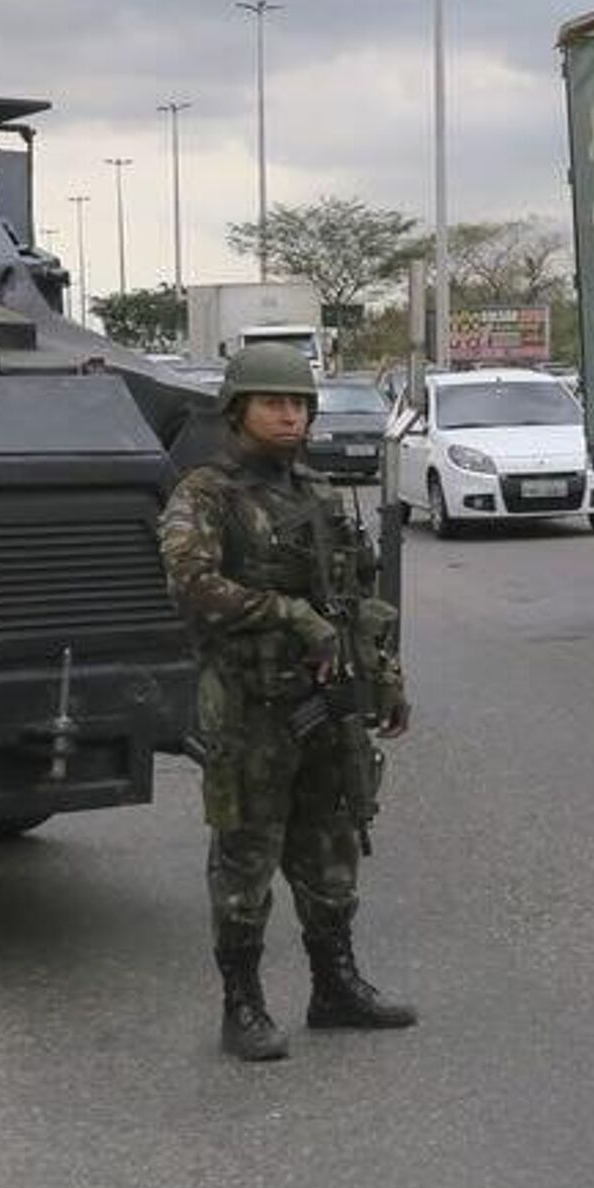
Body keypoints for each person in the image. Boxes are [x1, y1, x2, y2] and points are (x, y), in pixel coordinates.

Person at [159, 343, 416, 1062]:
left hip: (325, 704)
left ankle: (335, 987)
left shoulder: (320, 493)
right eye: (274, 402)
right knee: (245, 857)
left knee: (333, 847)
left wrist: (385, 673)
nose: (290, 414)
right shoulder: (206, 494)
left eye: (300, 403)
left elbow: (358, 598)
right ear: (237, 410)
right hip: (248, 707)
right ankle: (242, 1005)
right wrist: (286, 612)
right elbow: (190, 585)